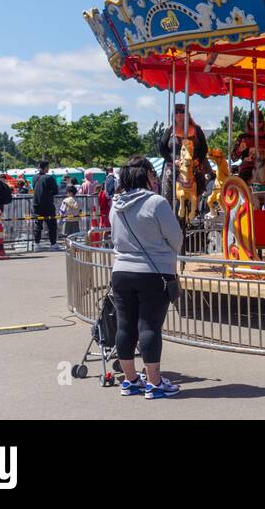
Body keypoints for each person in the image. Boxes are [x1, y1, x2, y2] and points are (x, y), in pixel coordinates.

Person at [110, 156, 183, 399]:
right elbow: (176, 238)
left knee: (125, 326)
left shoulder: (115, 204)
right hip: (153, 271)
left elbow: (115, 237)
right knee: (149, 326)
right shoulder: (156, 203)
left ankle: (130, 380)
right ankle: (154, 382)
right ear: (146, 178)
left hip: (121, 270)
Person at [31, 161, 60, 251]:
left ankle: (37, 244)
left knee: (38, 225)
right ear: (46, 167)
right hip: (47, 205)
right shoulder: (49, 178)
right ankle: (53, 244)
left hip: (36, 204)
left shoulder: (34, 178)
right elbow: (55, 191)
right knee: (51, 225)